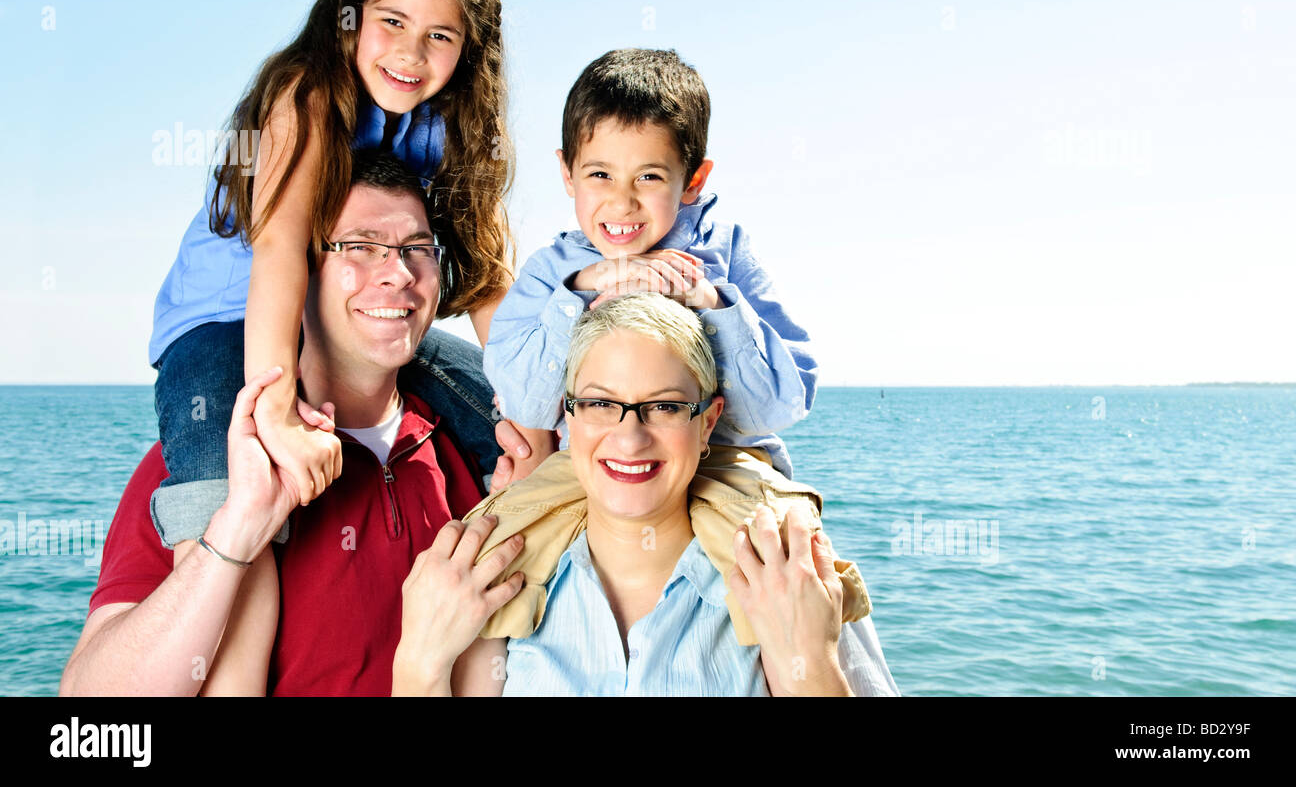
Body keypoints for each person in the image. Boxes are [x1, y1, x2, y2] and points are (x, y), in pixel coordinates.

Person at [60, 154, 525, 696]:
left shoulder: (476, 455)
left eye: (415, 249)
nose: (398, 271)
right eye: (360, 246)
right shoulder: (206, 464)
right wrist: (236, 528)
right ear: (298, 273)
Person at [469, 48, 869, 643]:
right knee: (489, 550)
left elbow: (778, 407)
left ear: (694, 180)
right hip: (595, 470)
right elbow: (526, 402)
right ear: (566, 171)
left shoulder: (725, 254)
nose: (622, 202)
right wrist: (579, 292)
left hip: (727, 469)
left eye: (649, 177)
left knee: (795, 573)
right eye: (599, 174)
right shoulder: (553, 271)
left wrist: (713, 305)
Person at [392, 292, 898, 696]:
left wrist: (811, 671)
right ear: (569, 417)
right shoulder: (501, 586)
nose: (630, 437)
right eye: (600, 403)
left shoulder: (792, 576)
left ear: (708, 424)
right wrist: (417, 663)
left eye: (666, 407)